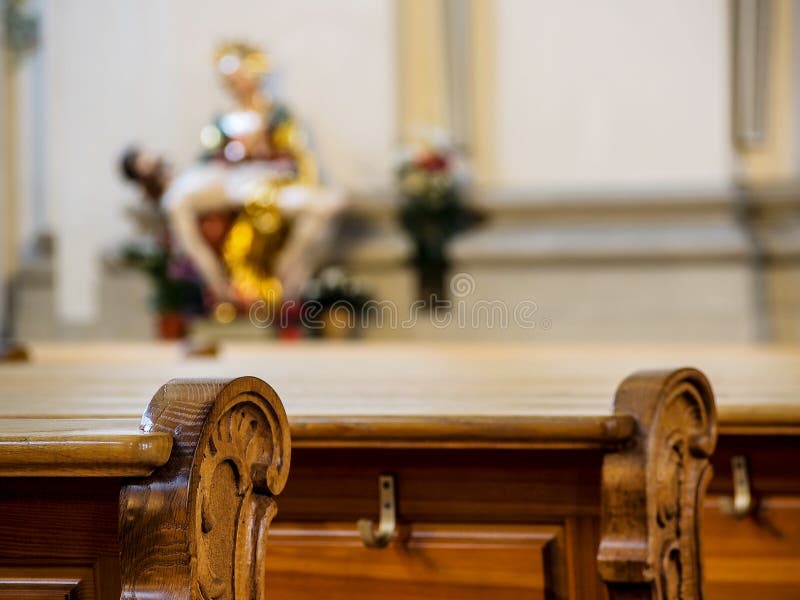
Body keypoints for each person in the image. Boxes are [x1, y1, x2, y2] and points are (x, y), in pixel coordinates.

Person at [125, 42, 346, 308]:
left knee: (328, 205)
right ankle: (216, 283)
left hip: (270, 180)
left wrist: (267, 151)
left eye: (239, 74)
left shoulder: (277, 115)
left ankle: (288, 280)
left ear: (253, 73)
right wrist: (234, 152)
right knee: (176, 202)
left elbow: (300, 159)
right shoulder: (223, 120)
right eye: (228, 78)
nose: (234, 82)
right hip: (231, 181)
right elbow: (206, 160)